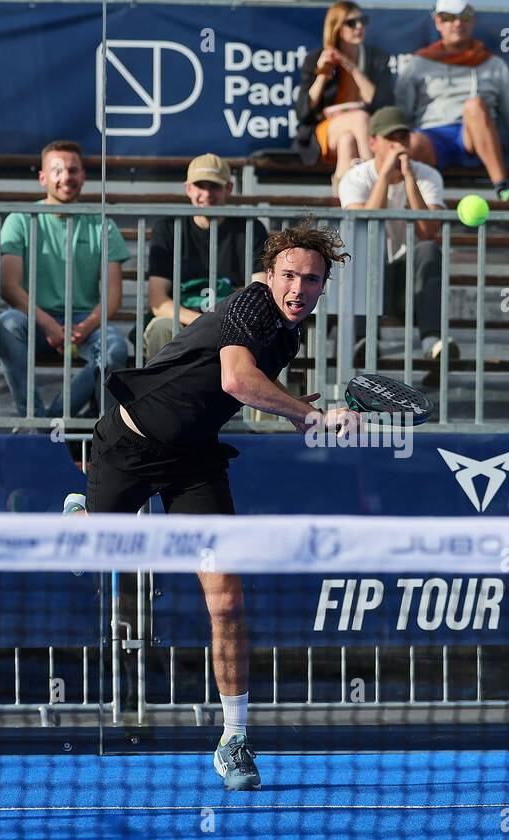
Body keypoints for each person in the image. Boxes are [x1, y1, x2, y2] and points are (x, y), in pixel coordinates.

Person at [75, 221, 357, 791]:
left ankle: (234, 738)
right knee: (89, 554)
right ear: (269, 273)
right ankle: (83, 516)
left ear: (324, 285)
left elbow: (238, 388)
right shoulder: (252, 304)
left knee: (227, 599)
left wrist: (295, 406)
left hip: (193, 462)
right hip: (128, 442)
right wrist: (309, 417)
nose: (299, 288)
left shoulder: (287, 335)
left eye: (312, 280)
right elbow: (235, 379)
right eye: (290, 276)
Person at [0, 140, 130, 420]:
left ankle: (53, 417)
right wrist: (47, 323)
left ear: (83, 176)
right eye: (57, 171)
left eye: (72, 170)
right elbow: (9, 286)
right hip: (34, 319)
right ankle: (30, 417)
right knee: (8, 325)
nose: (66, 177)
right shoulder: (20, 219)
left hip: (83, 322)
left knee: (115, 349)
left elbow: (113, 294)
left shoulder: (103, 223)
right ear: (42, 178)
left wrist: (86, 326)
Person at [397, 0, 509, 201]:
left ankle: (502, 187)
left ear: (473, 21)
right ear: (437, 22)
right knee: (411, 142)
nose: (457, 23)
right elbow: (401, 113)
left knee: (475, 106)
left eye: (464, 17)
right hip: (432, 135)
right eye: (448, 18)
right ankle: (408, 201)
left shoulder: (493, 64)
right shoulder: (418, 64)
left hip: (472, 137)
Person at [338, 106, 455, 374]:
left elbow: (428, 230)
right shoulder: (355, 178)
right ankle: (366, 340)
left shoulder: (428, 175)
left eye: (403, 137)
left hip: (408, 282)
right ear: (373, 142)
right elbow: (362, 227)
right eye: (391, 138)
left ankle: (431, 341)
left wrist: (409, 177)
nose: (398, 144)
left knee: (427, 249)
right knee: (364, 247)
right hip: (369, 277)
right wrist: (385, 176)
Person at [142, 154, 268, 361]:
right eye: (201, 186)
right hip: (183, 320)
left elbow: (259, 293)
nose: (207, 194)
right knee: (160, 328)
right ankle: (161, 393)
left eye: (214, 186)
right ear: (188, 189)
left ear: (229, 188)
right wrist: (203, 322)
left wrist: (221, 323)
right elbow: (158, 301)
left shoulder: (251, 228)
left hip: (232, 323)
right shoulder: (168, 228)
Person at [294, 2, 394, 194]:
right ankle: (378, 186)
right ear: (337, 28)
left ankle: (343, 209)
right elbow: (303, 112)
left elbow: (383, 104)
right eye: (352, 23)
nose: (359, 27)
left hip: (363, 133)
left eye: (362, 21)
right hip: (325, 130)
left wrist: (352, 67)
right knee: (359, 118)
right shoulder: (315, 59)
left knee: (347, 143)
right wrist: (322, 74)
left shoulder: (376, 58)